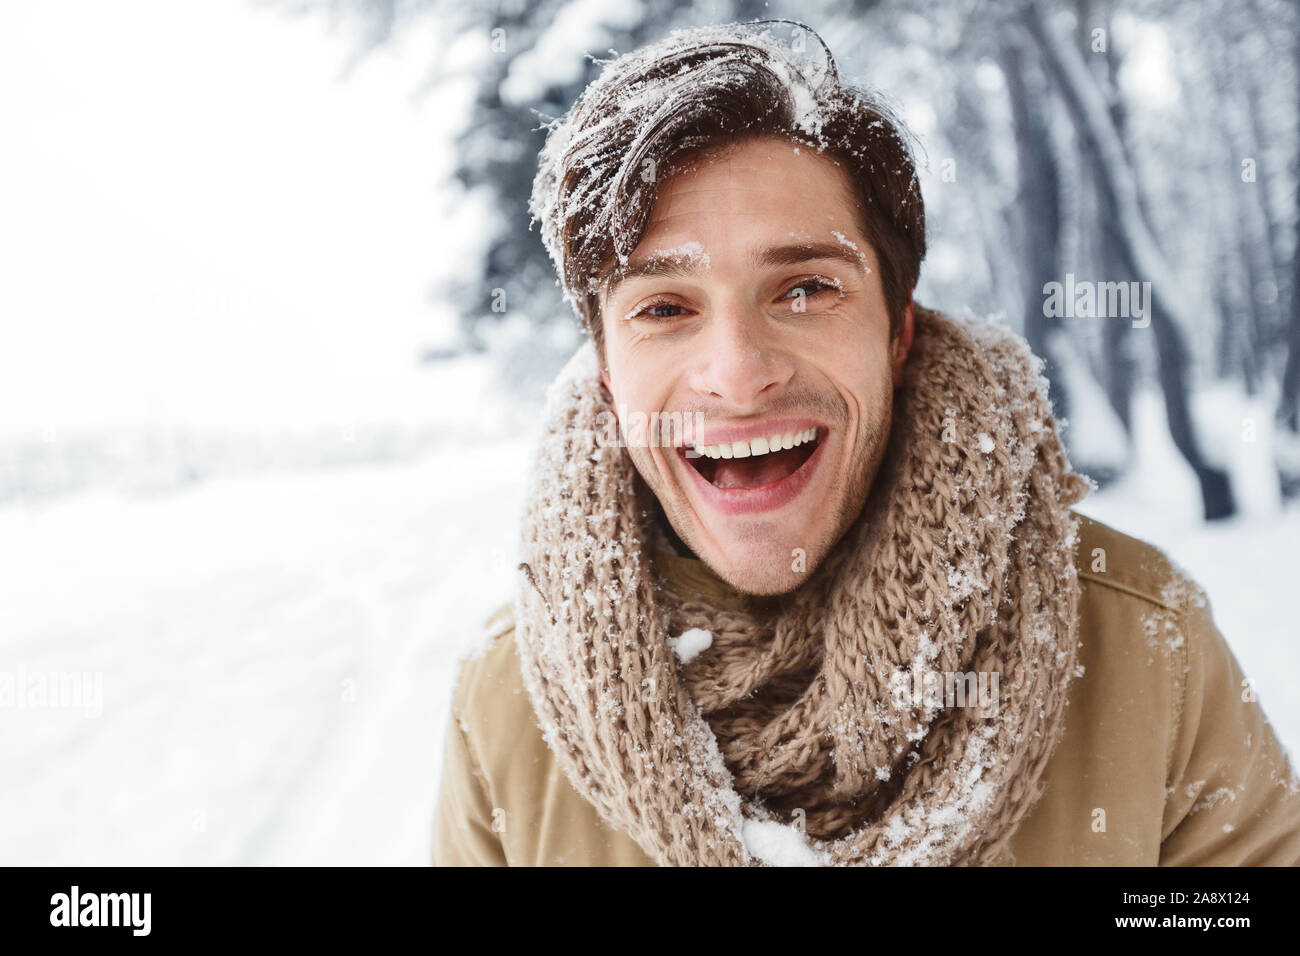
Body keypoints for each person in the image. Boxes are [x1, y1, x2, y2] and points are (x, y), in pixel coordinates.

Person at [431, 22, 1300, 866]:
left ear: (897, 331)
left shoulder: (1141, 642)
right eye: (663, 308)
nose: (737, 376)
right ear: (609, 375)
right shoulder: (507, 703)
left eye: (806, 289)